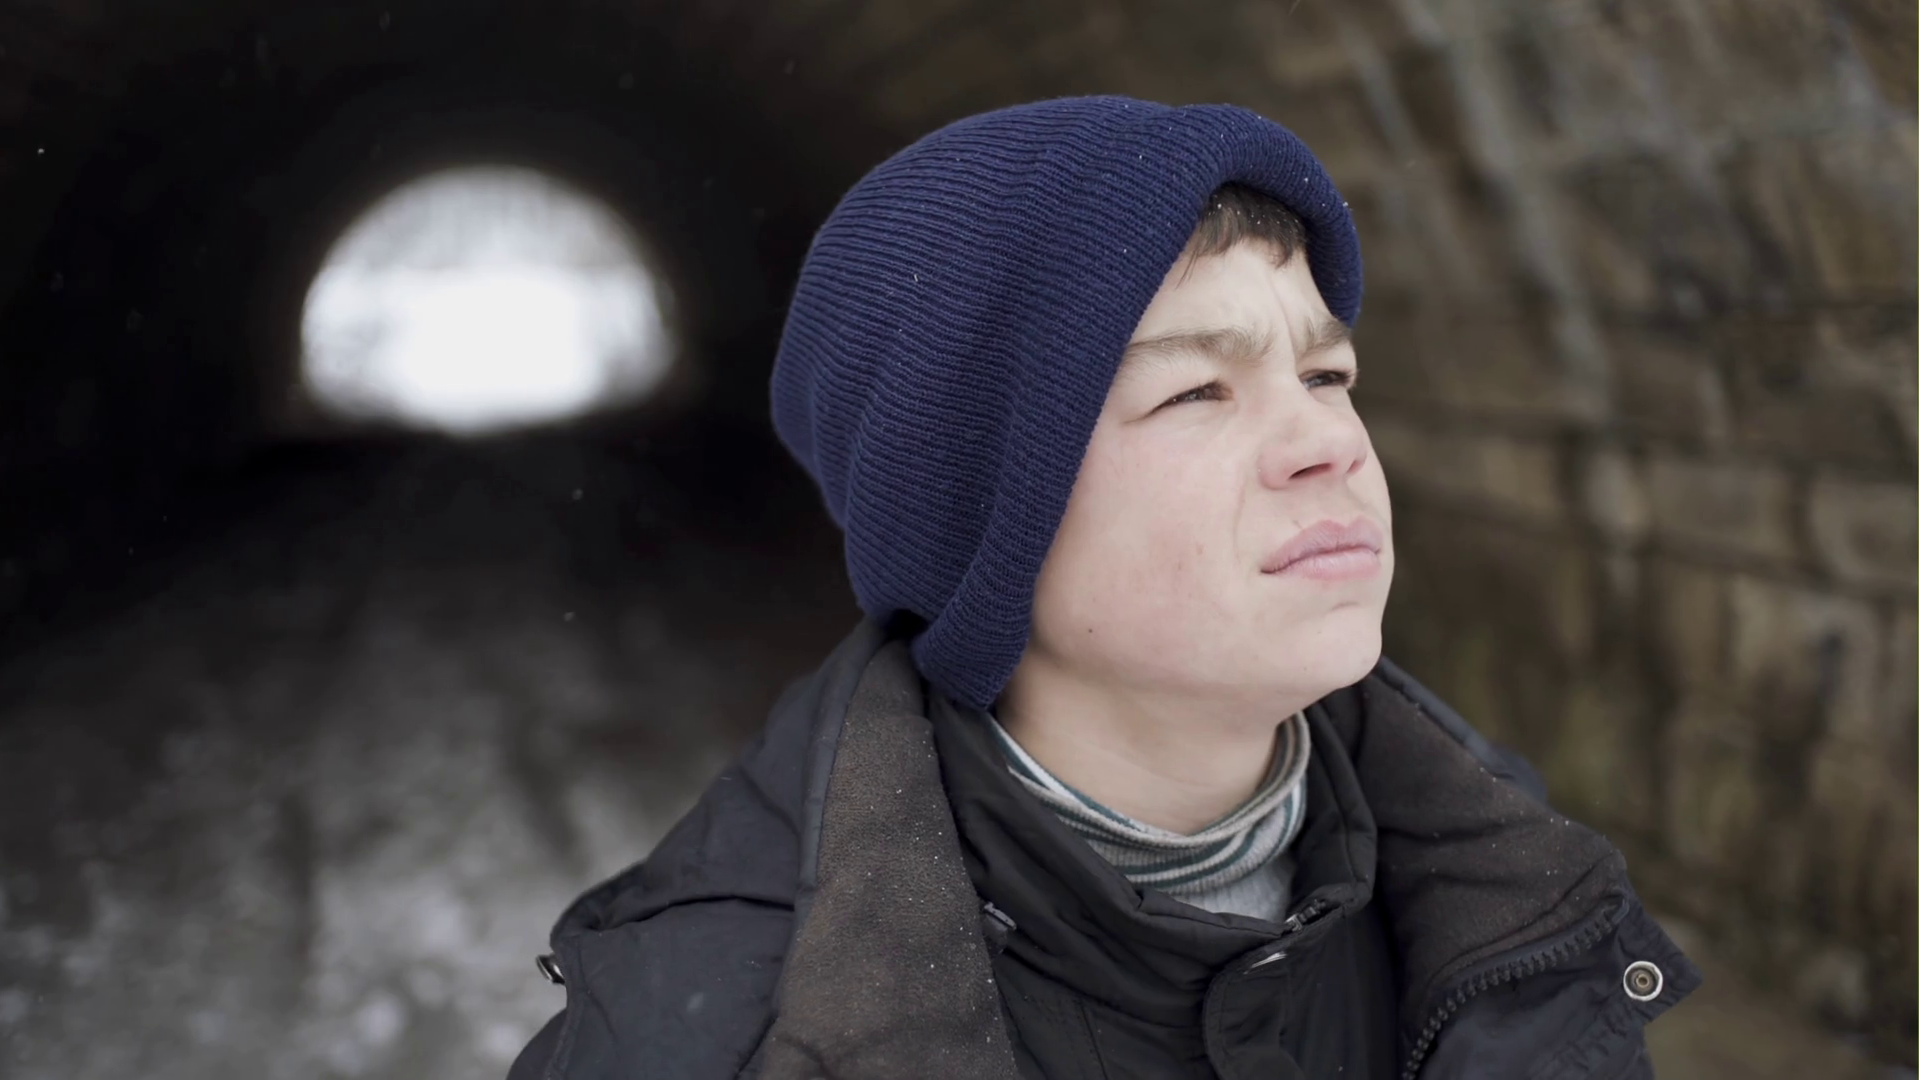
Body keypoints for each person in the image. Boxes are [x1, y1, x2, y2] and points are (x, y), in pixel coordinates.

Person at [507, 95, 1698, 1080]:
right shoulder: (712, 1035)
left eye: (1327, 374)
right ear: (977, 514)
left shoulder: (1510, 901)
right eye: (1195, 393)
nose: (1328, 442)